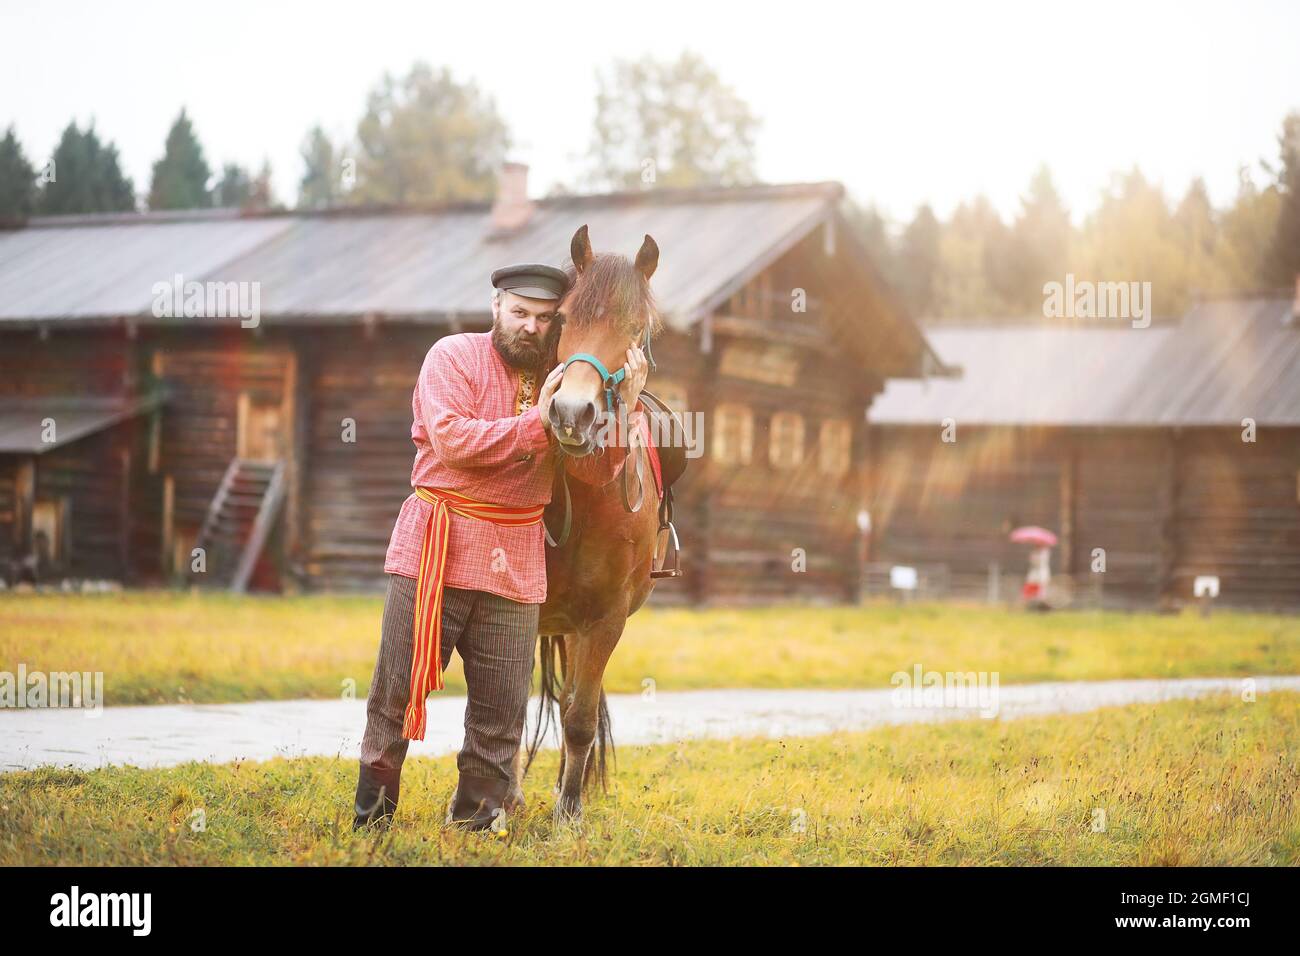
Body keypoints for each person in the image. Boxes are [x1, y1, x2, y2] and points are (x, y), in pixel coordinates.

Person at [352, 262, 648, 831]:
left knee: (498, 714)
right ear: (496, 308)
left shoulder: (562, 381)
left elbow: (594, 476)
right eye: (520, 313)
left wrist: (626, 406)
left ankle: (477, 822)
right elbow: (453, 440)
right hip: (436, 547)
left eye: (544, 319)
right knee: (394, 697)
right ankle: (372, 820)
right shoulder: (452, 356)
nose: (532, 328)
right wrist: (539, 424)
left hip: (514, 562)